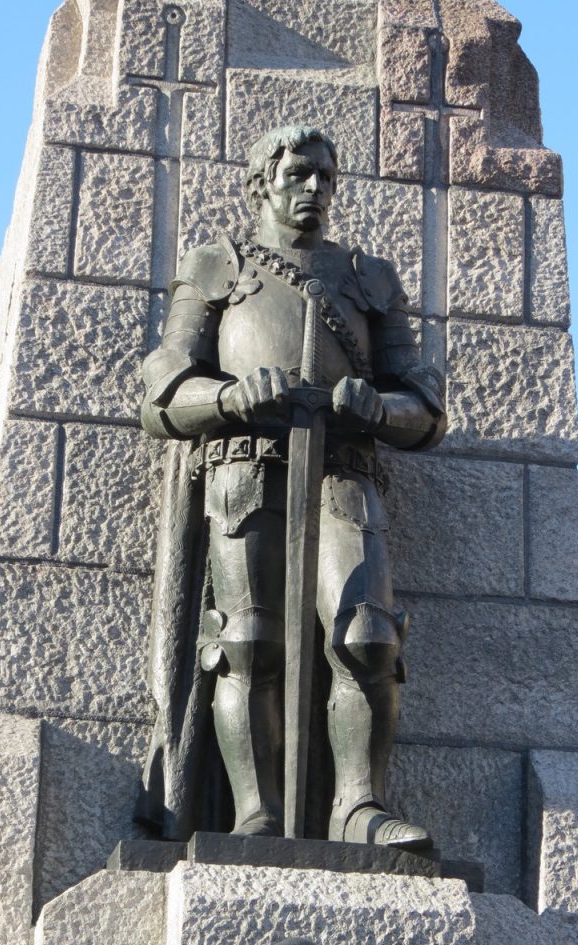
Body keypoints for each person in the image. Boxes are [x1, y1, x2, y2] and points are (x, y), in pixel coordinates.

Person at [137, 125, 446, 847]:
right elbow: (161, 395)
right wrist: (229, 398)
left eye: (326, 178)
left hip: (343, 471)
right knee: (248, 641)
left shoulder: (369, 278)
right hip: (244, 472)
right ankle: (256, 811)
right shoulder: (218, 265)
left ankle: (359, 808)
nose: (315, 190)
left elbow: (426, 407)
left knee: (368, 637)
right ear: (262, 183)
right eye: (300, 174)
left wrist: (380, 408)